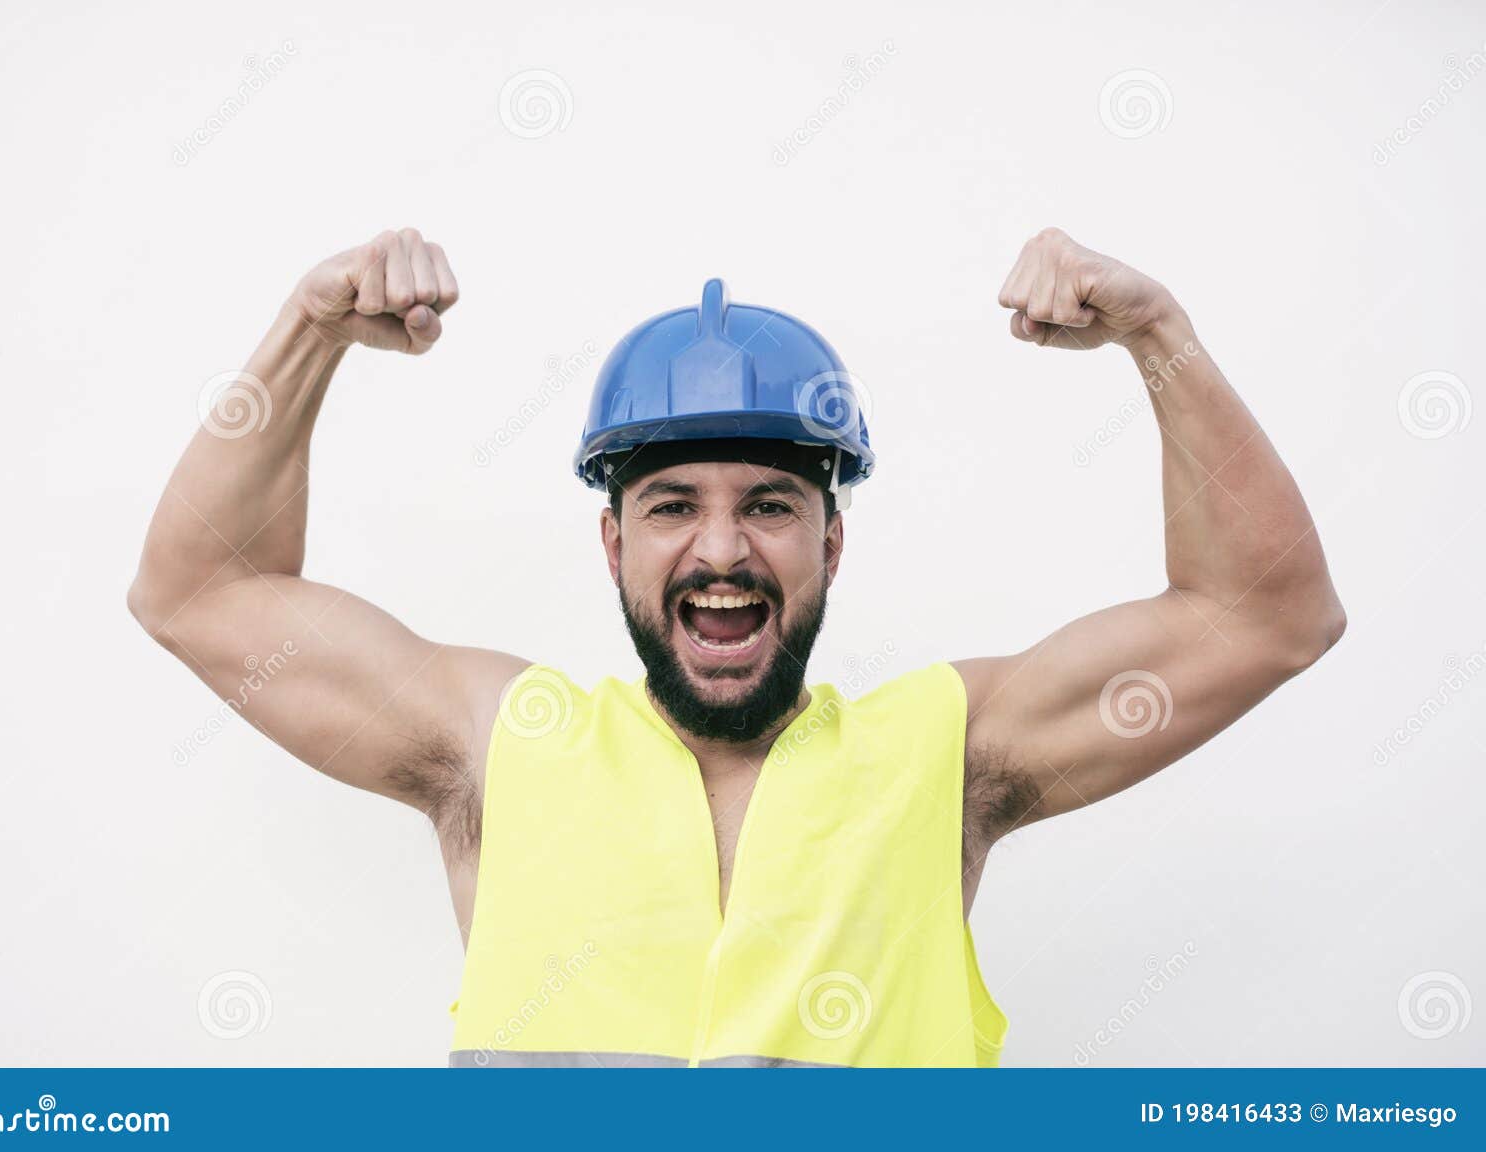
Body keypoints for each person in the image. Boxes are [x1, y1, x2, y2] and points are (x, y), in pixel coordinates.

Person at [128, 226, 1345, 1067]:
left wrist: (1159, 335)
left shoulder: (950, 754)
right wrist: (308, 329)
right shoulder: (499, 744)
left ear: (831, 543)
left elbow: (1267, 615)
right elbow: (199, 590)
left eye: (769, 503)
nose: (721, 550)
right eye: (671, 506)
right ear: (613, 546)